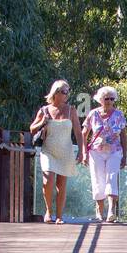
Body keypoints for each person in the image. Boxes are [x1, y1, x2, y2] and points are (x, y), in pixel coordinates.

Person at [30, 80, 81, 224]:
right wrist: (42, 122)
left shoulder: (71, 110)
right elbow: (32, 129)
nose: (67, 95)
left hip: (65, 151)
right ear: (56, 93)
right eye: (64, 92)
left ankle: (59, 216)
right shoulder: (45, 110)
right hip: (48, 151)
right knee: (48, 181)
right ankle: (48, 211)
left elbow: (78, 132)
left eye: (67, 92)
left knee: (61, 185)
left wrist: (82, 151)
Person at [82, 86, 127, 223]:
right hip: (96, 152)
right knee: (98, 179)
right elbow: (84, 134)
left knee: (111, 177)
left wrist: (125, 155)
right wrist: (84, 153)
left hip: (114, 151)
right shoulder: (93, 114)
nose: (109, 101)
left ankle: (111, 211)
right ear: (100, 99)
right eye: (106, 98)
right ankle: (99, 211)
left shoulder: (119, 115)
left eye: (111, 98)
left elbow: (124, 136)